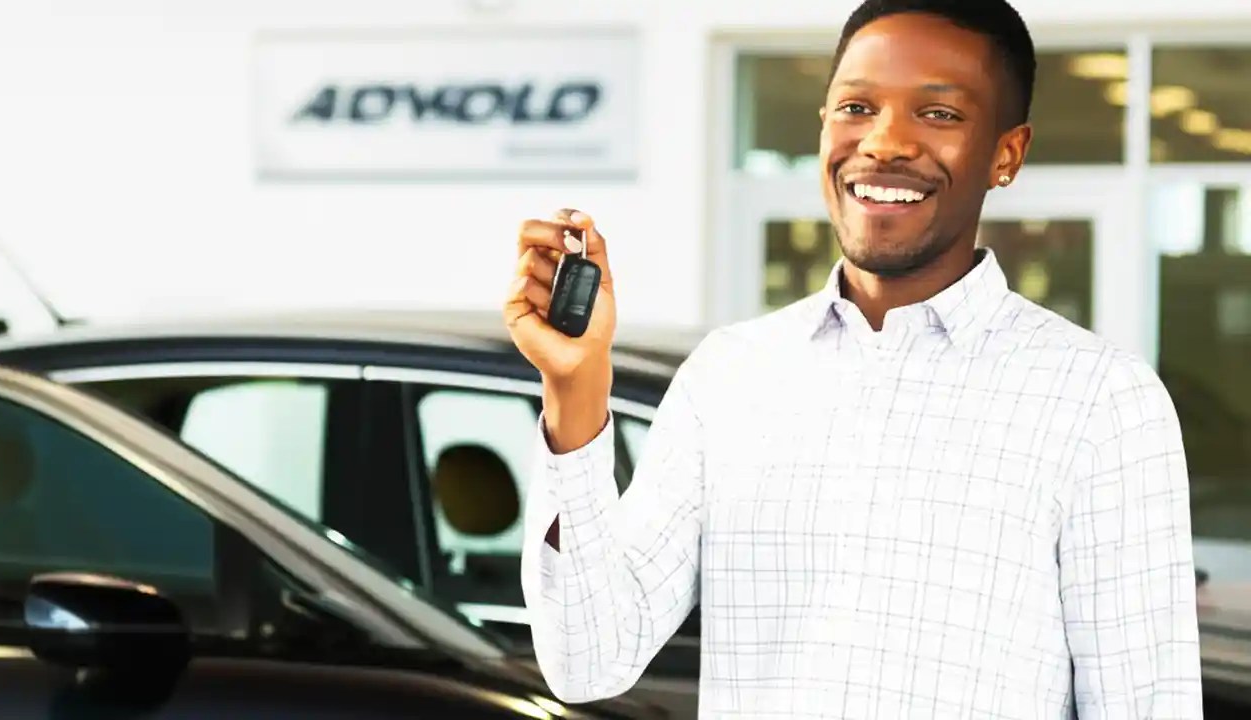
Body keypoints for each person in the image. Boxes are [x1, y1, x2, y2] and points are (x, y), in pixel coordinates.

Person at [502, 0, 1204, 717]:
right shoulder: (730, 377)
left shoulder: (1099, 399)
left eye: (939, 114)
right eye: (857, 107)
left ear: (1006, 154)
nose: (885, 142)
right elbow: (589, 658)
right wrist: (575, 389)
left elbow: (1146, 704)